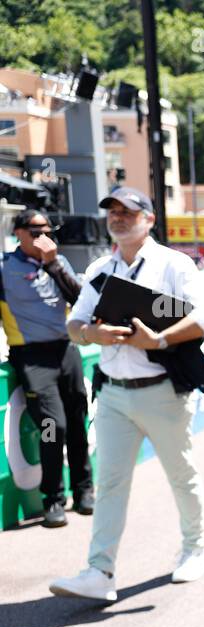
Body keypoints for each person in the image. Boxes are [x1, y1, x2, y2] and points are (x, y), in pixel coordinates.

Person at [50, 187, 204, 602]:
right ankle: (100, 570)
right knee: (109, 484)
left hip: (162, 391)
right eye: (112, 210)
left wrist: (159, 340)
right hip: (113, 394)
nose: (118, 217)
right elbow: (74, 325)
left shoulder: (173, 264)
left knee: (181, 476)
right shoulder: (99, 269)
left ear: (148, 219)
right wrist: (93, 333)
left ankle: (196, 548)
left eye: (128, 211)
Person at [1, 209, 92, 526]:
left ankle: (84, 490)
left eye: (48, 231)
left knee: (78, 420)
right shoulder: (4, 268)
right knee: (54, 426)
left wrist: (53, 265)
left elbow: (84, 302)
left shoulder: (60, 262)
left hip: (66, 350)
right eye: (36, 231)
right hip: (31, 355)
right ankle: (52, 497)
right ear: (19, 233)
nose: (43, 237)